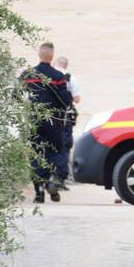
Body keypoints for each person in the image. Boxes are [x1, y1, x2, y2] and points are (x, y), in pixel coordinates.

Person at [20, 42, 73, 203]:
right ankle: (52, 180)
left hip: (35, 119)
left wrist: (28, 105)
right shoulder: (58, 76)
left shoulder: (28, 74)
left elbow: (15, 94)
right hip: (54, 121)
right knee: (56, 152)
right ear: (52, 56)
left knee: (36, 154)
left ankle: (39, 192)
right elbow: (66, 101)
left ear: (39, 55)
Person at [54, 55, 81, 189]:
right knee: (64, 146)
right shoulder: (70, 78)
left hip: (50, 116)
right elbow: (76, 99)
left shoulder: (49, 76)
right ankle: (61, 178)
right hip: (65, 117)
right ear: (66, 66)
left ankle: (47, 177)